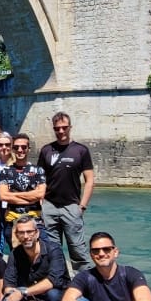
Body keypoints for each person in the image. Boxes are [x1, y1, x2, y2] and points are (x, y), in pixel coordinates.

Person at [39, 112, 96, 273]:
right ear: (54, 129)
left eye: (64, 128)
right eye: (57, 128)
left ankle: (84, 281)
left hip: (72, 206)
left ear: (70, 127)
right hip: (49, 206)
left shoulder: (80, 150)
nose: (61, 131)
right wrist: (41, 203)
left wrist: (82, 206)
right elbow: (40, 179)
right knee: (52, 249)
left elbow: (90, 179)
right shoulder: (46, 150)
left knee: (78, 249)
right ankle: (58, 279)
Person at [0, 133, 45, 247]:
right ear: (12, 149)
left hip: (35, 221)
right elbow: (4, 196)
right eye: (16, 147)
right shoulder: (5, 171)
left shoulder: (38, 170)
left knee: (40, 253)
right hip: (13, 221)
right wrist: (31, 197)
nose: (20, 150)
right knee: (17, 256)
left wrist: (14, 195)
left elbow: (40, 194)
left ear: (28, 149)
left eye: (23, 147)